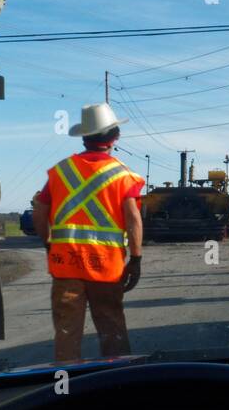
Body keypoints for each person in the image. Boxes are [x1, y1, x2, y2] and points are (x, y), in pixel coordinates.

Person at [31, 103, 145, 363]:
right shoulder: (122, 175)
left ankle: (65, 386)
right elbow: (133, 218)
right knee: (112, 328)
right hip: (106, 267)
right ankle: (118, 380)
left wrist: (49, 243)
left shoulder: (60, 171)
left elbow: (40, 210)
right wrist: (136, 259)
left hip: (66, 266)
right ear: (115, 137)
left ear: (84, 137)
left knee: (67, 331)